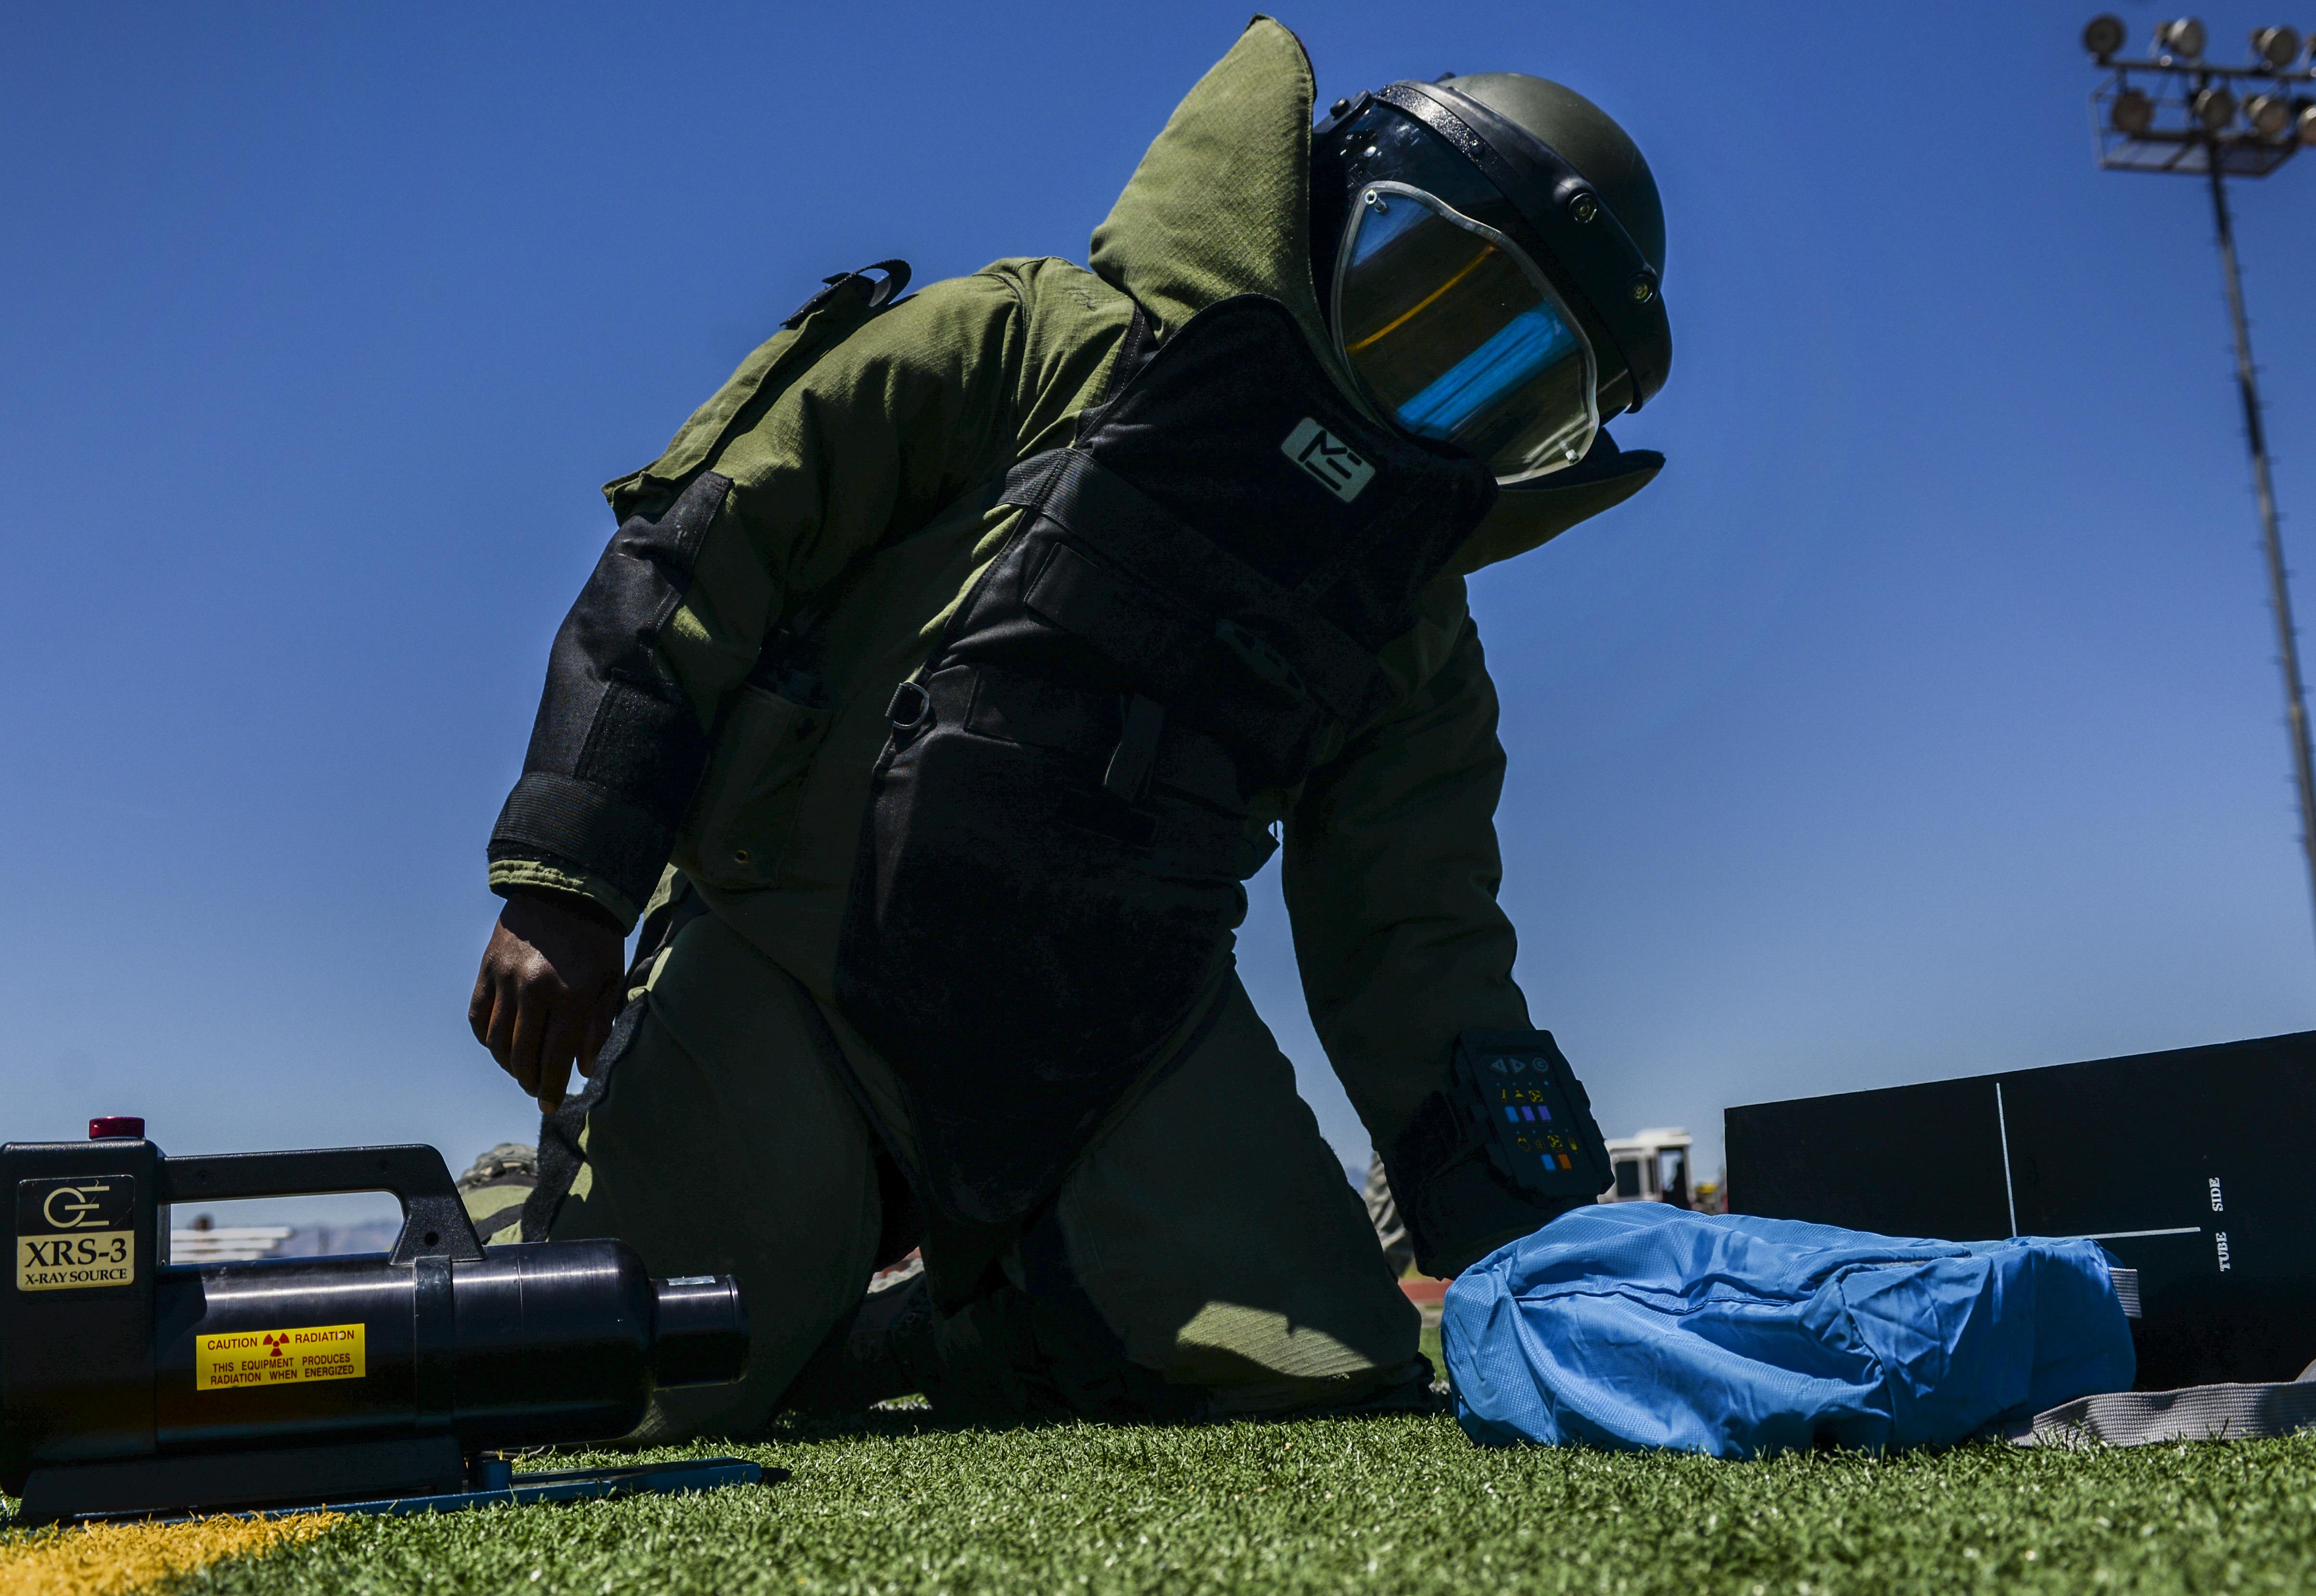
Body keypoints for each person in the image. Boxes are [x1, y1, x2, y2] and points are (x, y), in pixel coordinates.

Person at [466, 16, 1671, 1436]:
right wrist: (568, 878)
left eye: (1509, 386)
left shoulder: (1409, 631)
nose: (1431, 378)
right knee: (616, 1381)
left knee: (1329, 1378)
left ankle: (949, 1324)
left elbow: (1415, 938)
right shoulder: (1032, 340)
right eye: (1420, 289)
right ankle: (529, 1197)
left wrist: (1533, 1233)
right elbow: (707, 552)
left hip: (1115, 1031)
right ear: (1333, 199)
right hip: (802, 943)